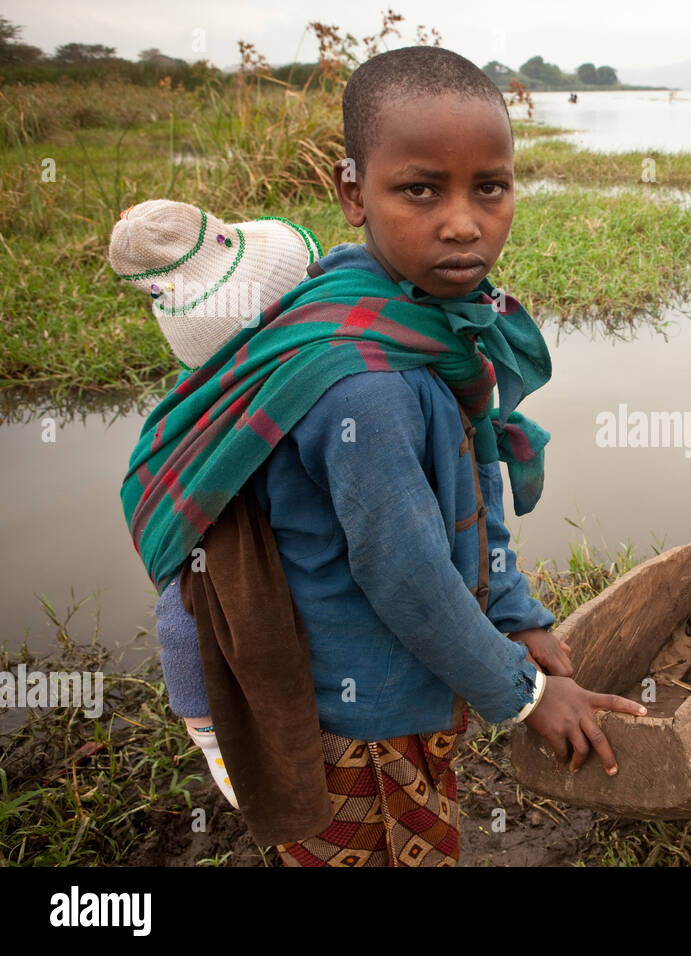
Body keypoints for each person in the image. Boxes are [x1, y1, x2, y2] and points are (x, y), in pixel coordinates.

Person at [120, 46, 644, 866]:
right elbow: (407, 575)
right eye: (420, 189)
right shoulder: (368, 387)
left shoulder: (417, 310)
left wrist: (516, 613)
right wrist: (526, 693)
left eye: (490, 187)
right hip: (347, 710)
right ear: (352, 193)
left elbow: (473, 477)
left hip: (399, 686)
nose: (464, 220)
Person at [110, 199, 325, 808]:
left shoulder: (304, 356)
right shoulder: (223, 404)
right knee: (191, 603)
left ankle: (212, 731)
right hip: (224, 534)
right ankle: (209, 734)